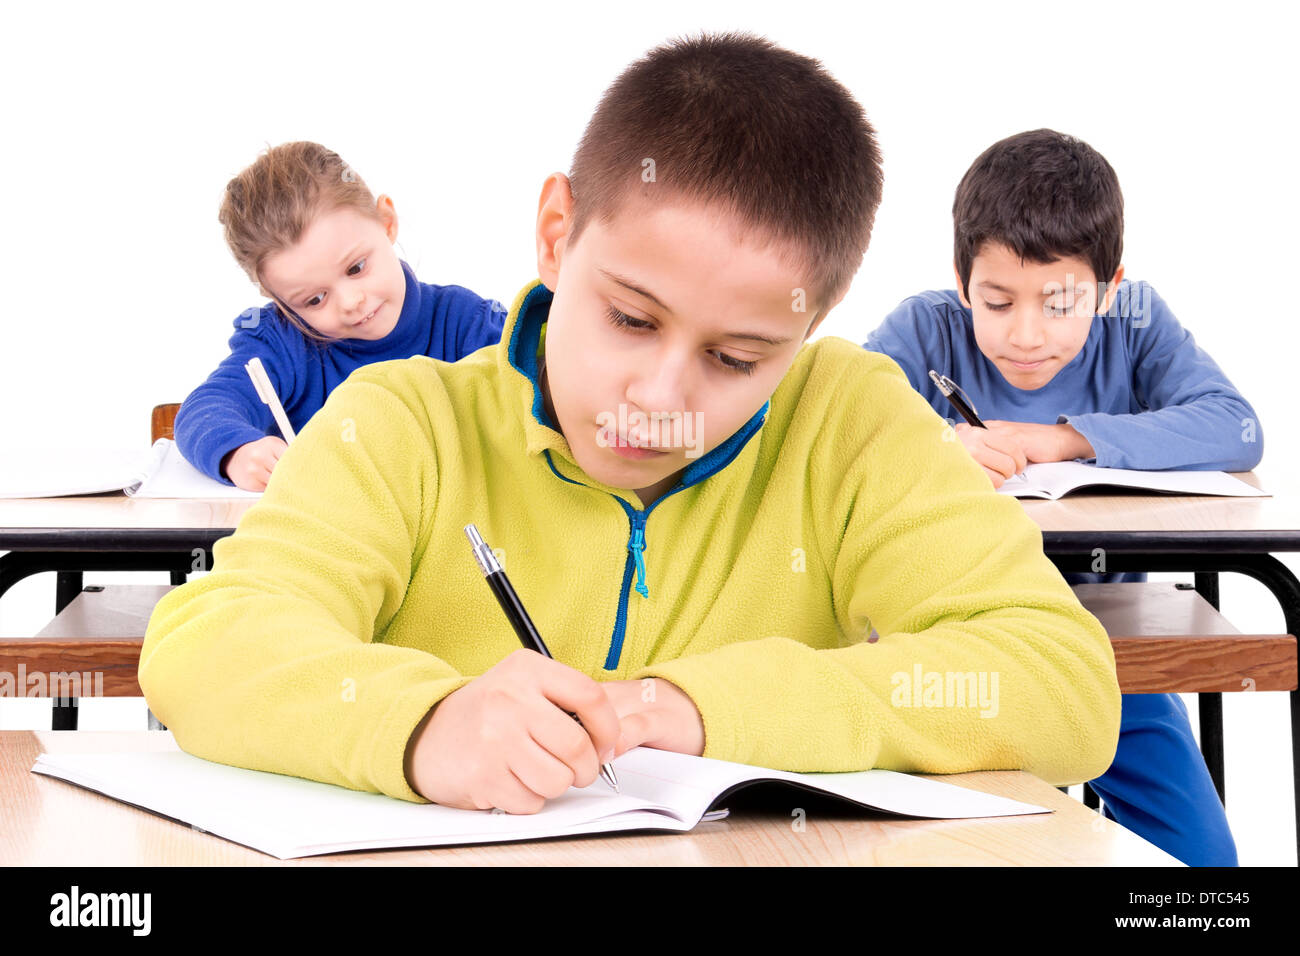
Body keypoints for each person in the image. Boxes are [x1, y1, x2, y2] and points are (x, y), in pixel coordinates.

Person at [141, 36, 1121, 816]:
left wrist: (697, 706)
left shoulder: (849, 418)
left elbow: (1061, 682)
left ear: (805, 326)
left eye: (736, 357)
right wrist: (423, 721)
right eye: (631, 317)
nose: (658, 393)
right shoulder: (400, 424)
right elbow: (205, 646)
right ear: (557, 234)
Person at [864, 128, 1258, 865]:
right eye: (997, 300)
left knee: (1208, 871)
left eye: (1060, 303)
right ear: (960, 280)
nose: (1026, 334)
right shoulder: (924, 328)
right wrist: (940, 443)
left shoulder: (1137, 326)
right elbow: (830, 430)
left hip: (1101, 658)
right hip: (944, 652)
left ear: (1109, 289)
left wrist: (1069, 438)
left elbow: (1236, 427)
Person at [173, 141, 505, 490]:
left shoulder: (467, 325)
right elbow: (205, 411)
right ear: (279, 300)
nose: (350, 302)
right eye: (315, 299)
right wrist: (237, 453)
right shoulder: (281, 345)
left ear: (387, 223)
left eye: (357, 267)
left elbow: (542, 396)